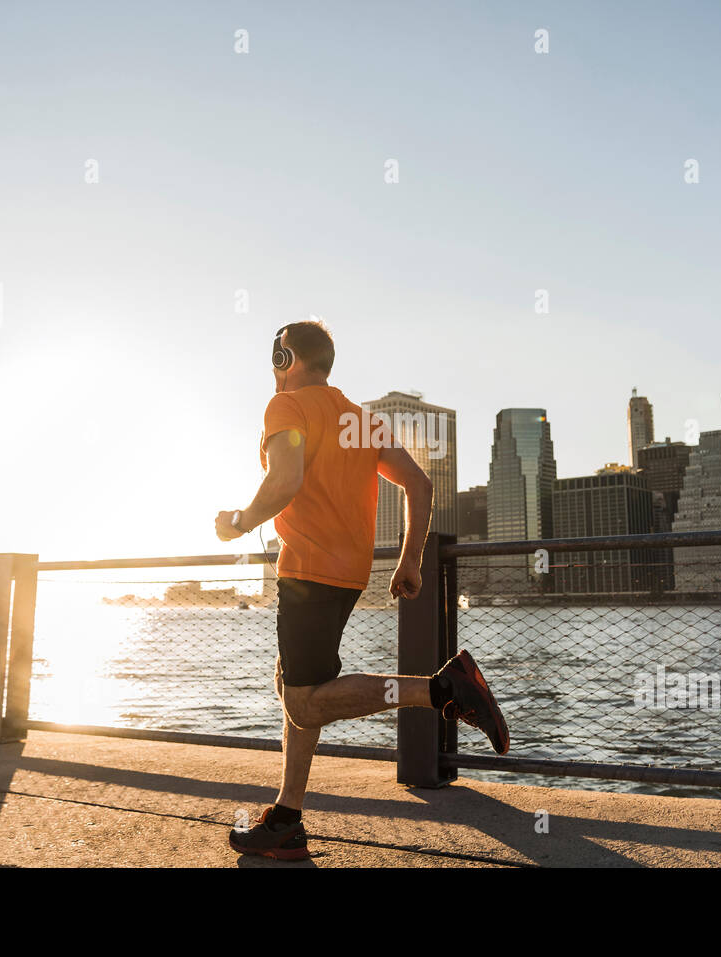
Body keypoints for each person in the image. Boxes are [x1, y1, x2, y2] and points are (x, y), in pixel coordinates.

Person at [214, 318, 509, 861]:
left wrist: (238, 520)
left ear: (287, 360)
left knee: (302, 703)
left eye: (275, 358)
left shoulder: (287, 406)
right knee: (296, 685)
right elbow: (420, 485)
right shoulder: (363, 420)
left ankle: (443, 689)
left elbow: (284, 481)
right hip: (349, 576)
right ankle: (287, 818)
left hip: (306, 573)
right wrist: (410, 561)